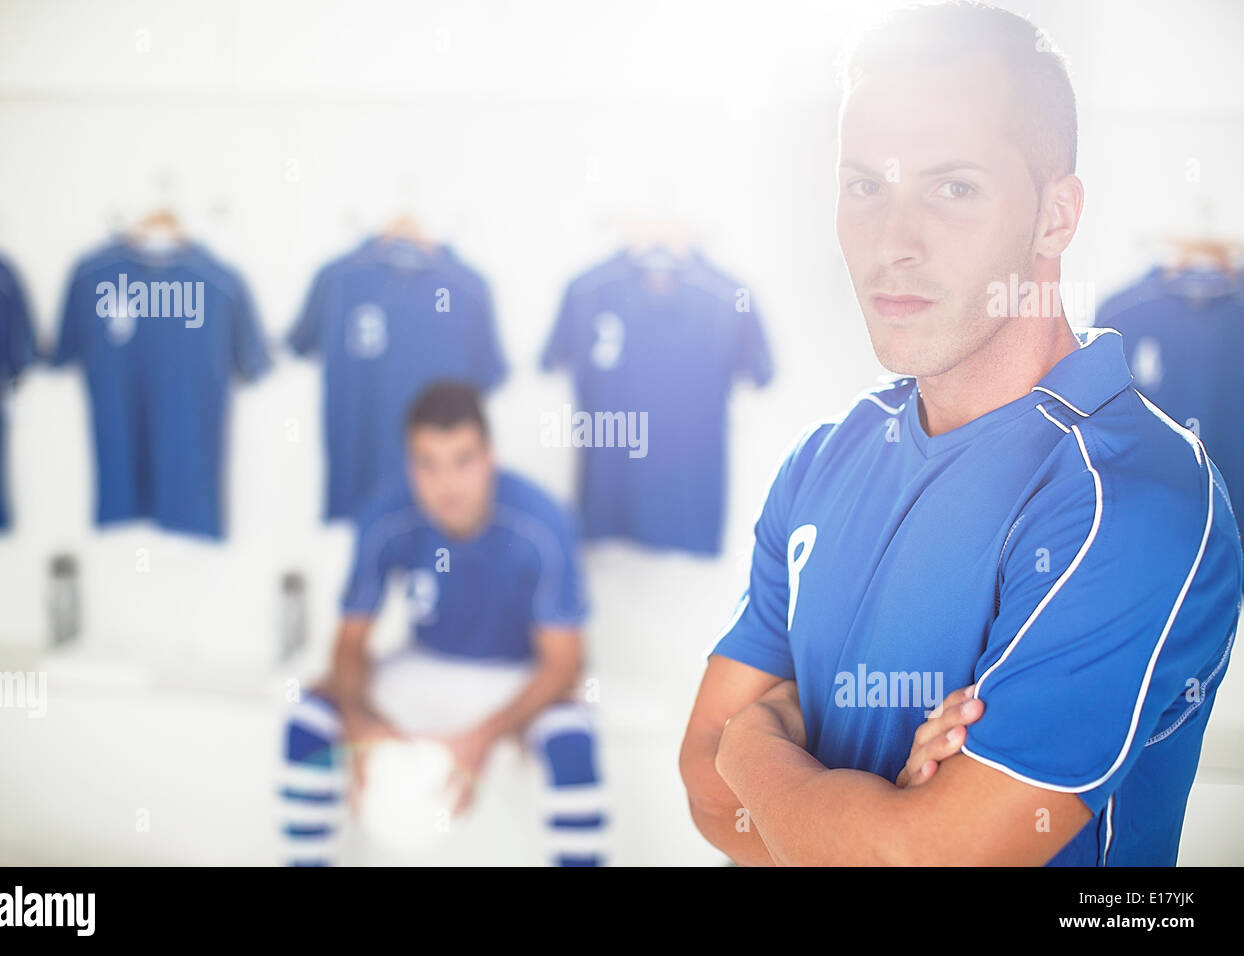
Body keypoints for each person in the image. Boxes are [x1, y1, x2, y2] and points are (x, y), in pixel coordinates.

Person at [679, 0, 1243, 866]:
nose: (891, 242)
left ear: (1057, 217)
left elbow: (915, 858)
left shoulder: (1131, 496)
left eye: (952, 187)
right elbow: (703, 790)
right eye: (866, 185)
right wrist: (857, 821)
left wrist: (756, 742)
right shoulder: (822, 459)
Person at [280, 382, 608, 866]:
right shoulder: (385, 517)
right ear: (409, 465)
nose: (446, 483)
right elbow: (349, 644)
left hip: (516, 673)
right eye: (427, 464)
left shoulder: (541, 523)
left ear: (489, 457)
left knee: (572, 736)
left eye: (462, 460)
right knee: (308, 715)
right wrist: (362, 724)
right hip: (425, 662)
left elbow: (564, 664)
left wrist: (482, 738)